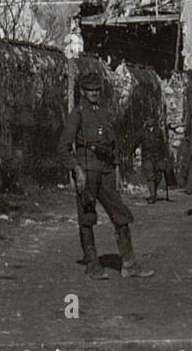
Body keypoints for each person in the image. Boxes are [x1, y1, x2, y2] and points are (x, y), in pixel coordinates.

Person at [58, 72, 153, 279]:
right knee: (87, 218)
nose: (94, 93)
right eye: (90, 90)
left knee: (120, 214)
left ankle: (129, 264)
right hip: (87, 171)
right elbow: (63, 147)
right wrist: (77, 170)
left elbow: (113, 142)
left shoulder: (103, 112)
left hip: (106, 171)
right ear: (82, 91)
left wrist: (117, 167)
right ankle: (93, 266)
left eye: (97, 90)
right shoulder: (78, 114)